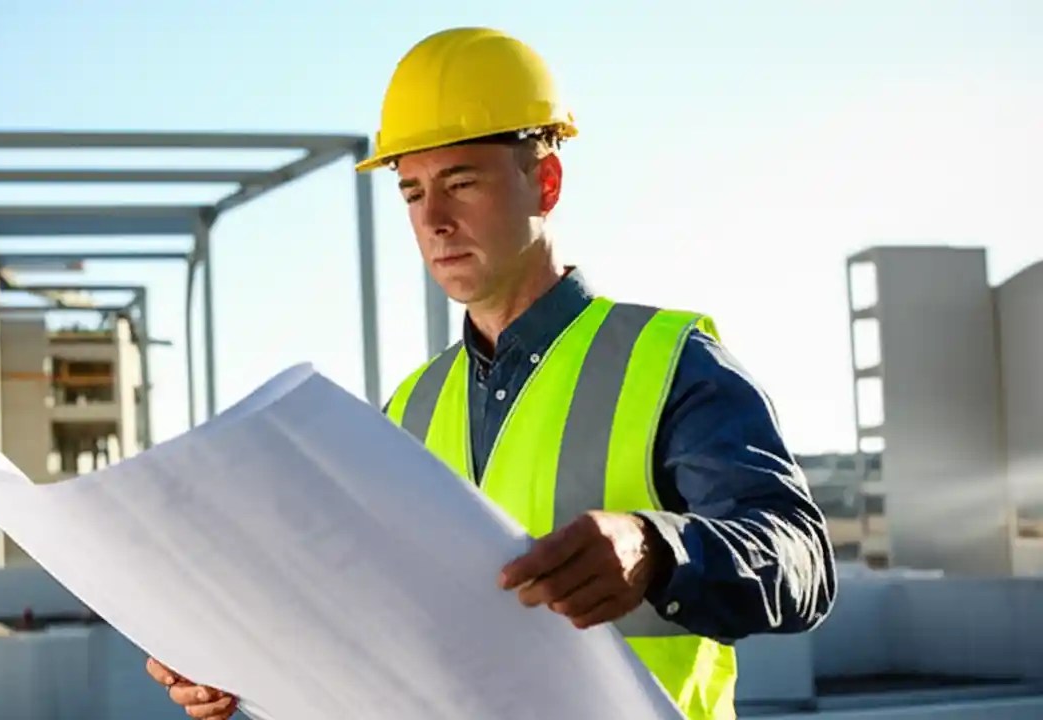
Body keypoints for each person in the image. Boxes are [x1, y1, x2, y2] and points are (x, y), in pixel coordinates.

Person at [148, 26, 837, 720]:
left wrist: (657, 548)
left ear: (545, 181)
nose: (435, 221)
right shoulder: (408, 408)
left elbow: (801, 561)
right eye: (413, 193)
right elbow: (363, 617)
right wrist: (229, 658)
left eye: (461, 182)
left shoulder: (667, 361)